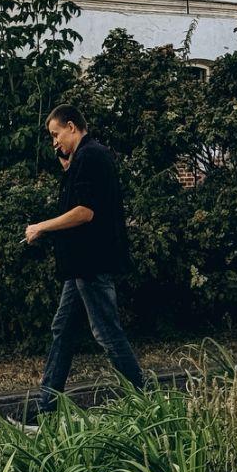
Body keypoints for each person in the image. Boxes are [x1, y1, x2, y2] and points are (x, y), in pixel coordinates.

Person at [25, 104, 144, 413]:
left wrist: (41, 226)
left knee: (106, 332)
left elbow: (84, 212)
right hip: (80, 264)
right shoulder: (83, 159)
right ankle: (45, 409)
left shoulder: (91, 156)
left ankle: (144, 401)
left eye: (56, 134)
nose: (54, 142)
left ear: (72, 127)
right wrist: (68, 169)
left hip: (91, 262)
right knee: (62, 330)